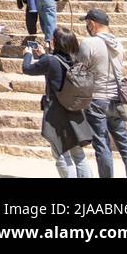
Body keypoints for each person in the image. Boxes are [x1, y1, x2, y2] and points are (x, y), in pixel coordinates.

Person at [22, 28, 96, 177]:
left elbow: (27, 68)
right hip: (74, 110)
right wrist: (43, 55)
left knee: (60, 153)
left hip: (56, 112)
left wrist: (28, 54)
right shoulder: (77, 59)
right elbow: (58, 67)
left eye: (52, 39)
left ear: (57, 42)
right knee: (78, 154)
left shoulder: (49, 60)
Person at [79, 8, 127, 178]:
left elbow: (80, 72)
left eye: (87, 23)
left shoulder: (89, 43)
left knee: (102, 144)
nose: (87, 27)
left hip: (96, 99)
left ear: (92, 24)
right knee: (125, 143)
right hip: (115, 100)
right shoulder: (119, 45)